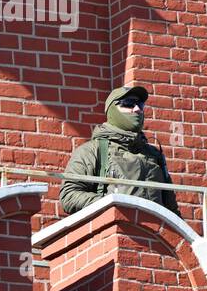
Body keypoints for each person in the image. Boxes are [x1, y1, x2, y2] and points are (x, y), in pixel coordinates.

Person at [60, 85, 179, 217]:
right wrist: (112, 204)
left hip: (152, 235)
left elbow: (171, 209)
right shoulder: (92, 150)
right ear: (112, 110)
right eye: (128, 104)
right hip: (114, 230)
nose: (137, 109)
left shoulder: (154, 155)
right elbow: (69, 195)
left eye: (140, 104)